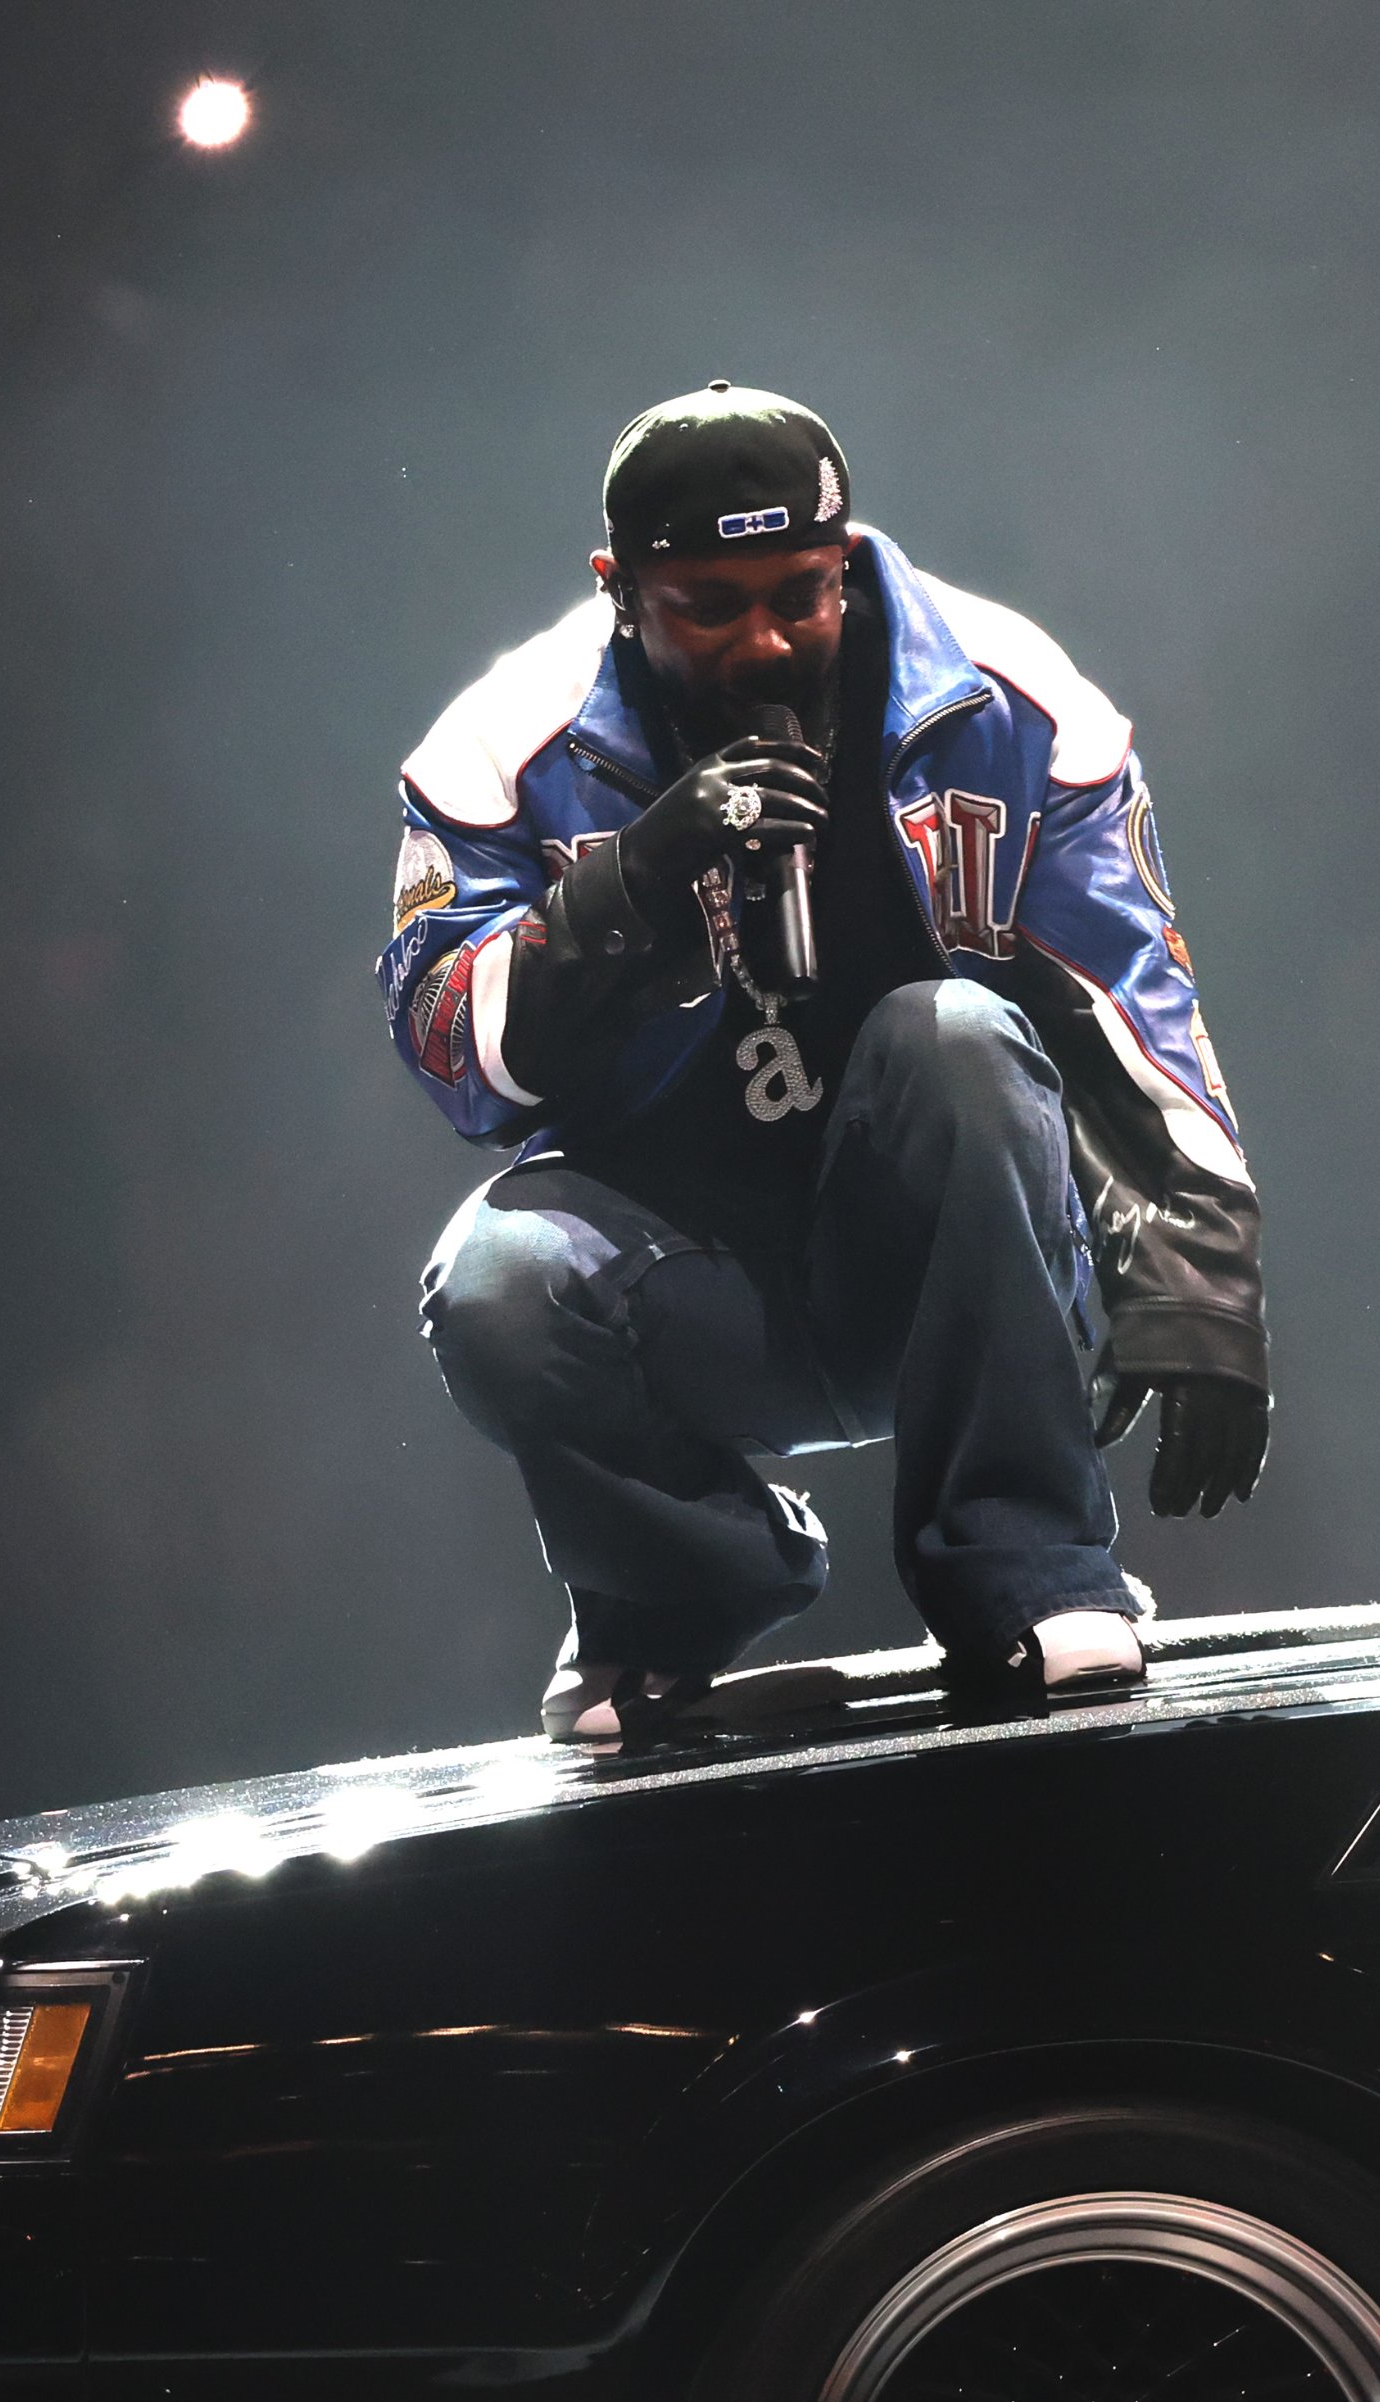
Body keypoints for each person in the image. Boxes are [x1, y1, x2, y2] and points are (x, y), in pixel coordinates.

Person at [383, 384, 1269, 1741]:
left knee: (956, 1034)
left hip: (945, 1252)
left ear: (847, 561)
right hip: (685, 1283)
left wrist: (1197, 1280)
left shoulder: (1011, 698)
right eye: (712, 604)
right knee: (493, 1276)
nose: (767, 640)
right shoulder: (503, 752)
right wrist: (631, 881)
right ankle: (675, 1602)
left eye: (801, 592)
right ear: (621, 588)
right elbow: (457, 1057)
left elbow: (1133, 1001)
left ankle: (1029, 1572)